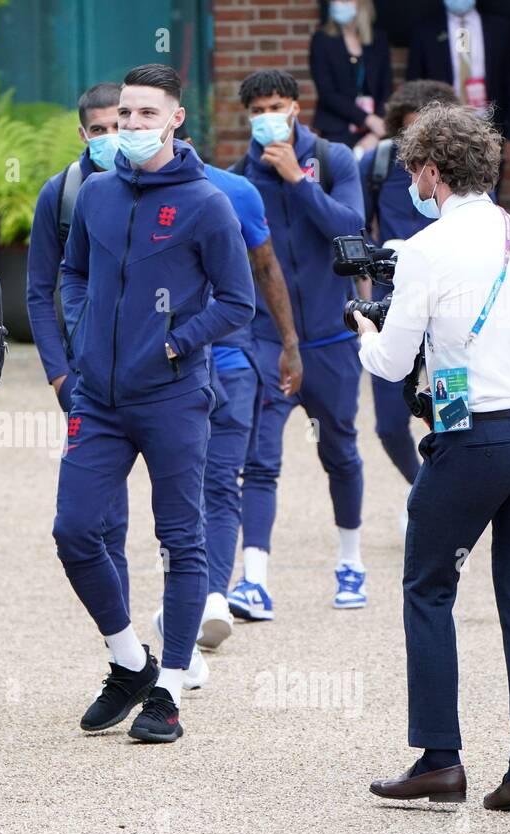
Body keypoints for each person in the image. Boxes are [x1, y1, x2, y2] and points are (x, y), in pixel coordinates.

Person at [361, 103, 510, 816]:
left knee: (428, 587)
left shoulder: (423, 248)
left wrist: (365, 324)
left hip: (475, 440)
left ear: (427, 171)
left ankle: (440, 758)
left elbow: (390, 365)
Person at [55, 63, 255, 743]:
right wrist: (81, 329)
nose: (132, 126)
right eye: (125, 114)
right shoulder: (97, 194)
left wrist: (176, 344)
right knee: (74, 531)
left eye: (146, 114)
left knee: (181, 540)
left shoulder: (206, 203)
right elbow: (72, 271)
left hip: (173, 399)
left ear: (176, 120)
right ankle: (128, 659)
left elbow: (237, 301)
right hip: (99, 400)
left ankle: (168, 687)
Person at [150, 130, 303, 689]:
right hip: (231, 360)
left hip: (177, 366)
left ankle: (197, 599)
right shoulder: (236, 190)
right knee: (218, 485)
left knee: (184, 489)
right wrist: (289, 343)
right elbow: (266, 270)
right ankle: (212, 590)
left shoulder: (134, 192)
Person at [229, 69, 368, 621]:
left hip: (333, 337)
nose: (269, 115)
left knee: (340, 450)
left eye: (277, 105)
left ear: (296, 107)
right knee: (258, 459)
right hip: (267, 339)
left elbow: (350, 227)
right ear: (248, 115)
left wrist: (298, 180)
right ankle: (254, 579)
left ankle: (350, 561)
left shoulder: (332, 159)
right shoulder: (240, 175)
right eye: (259, 108)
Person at [26, 81, 130, 653]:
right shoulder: (61, 194)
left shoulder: (163, 187)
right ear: (83, 133)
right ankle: (128, 648)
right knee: (100, 521)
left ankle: (187, 635)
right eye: (99, 129)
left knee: (184, 518)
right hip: (87, 384)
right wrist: (58, 373)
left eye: (121, 125)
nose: (111, 138)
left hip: (153, 381)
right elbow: (39, 291)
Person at [357, 80, 460, 509]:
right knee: (388, 424)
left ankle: (451, 500)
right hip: (394, 300)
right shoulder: (378, 164)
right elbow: (359, 228)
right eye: (411, 134)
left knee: (454, 415)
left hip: (453, 306)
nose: (420, 147)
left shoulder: (463, 173)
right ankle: (424, 488)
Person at [406, 0, 510, 185]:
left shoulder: (499, 29)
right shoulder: (425, 32)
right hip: (442, 133)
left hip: (488, 129)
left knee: (487, 192)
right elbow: (414, 88)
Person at [308, 0, 391, 153]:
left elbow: (386, 88)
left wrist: (377, 129)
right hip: (336, 128)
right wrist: (367, 120)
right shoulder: (321, 40)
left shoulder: (378, 39)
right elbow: (327, 94)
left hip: (376, 130)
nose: (338, 4)